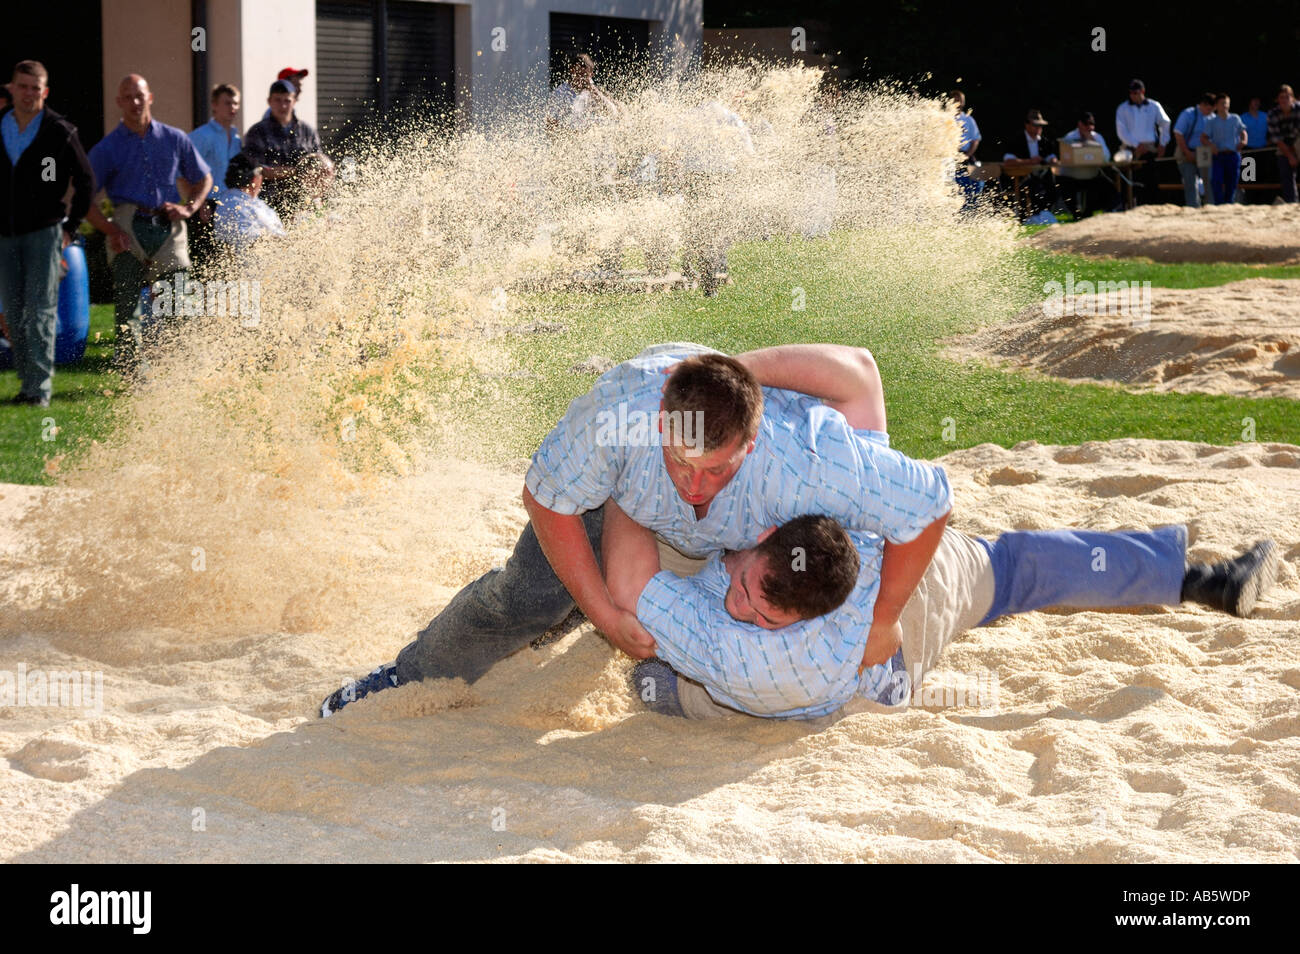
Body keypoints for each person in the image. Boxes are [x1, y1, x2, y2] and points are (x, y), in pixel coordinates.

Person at [319, 343, 953, 717]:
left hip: (748, 523)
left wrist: (882, 619)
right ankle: (407, 676)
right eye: (682, 464)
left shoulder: (809, 460)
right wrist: (600, 608)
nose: (696, 484)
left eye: (716, 468)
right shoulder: (614, 419)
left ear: (751, 440)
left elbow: (928, 506)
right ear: (659, 422)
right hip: (623, 499)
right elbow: (548, 503)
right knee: (530, 597)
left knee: (798, 580)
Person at [612, 503, 1278, 720]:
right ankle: (1199, 581)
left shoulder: (701, 619)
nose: (749, 609)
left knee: (663, 677)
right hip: (894, 630)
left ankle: (1197, 580)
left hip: (873, 657)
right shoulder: (828, 530)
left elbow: (632, 572)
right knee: (1015, 567)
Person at [85, 74, 212, 380]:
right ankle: (132, 375)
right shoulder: (107, 148)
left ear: (150, 98)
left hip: (169, 228)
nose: (135, 102)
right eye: (127, 97)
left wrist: (189, 207)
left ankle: (178, 371)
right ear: (119, 103)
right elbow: (83, 200)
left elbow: (203, 177)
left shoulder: (174, 138)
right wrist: (111, 230)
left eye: (139, 95)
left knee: (177, 302)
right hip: (127, 228)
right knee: (128, 309)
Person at [0, 60, 94, 408]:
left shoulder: (59, 131)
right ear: (12, 88)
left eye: (35, 88)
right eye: (22, 86)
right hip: (5, 235)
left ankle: (37, 390)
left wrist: (69, 229)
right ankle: (27, 384)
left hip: (44, 234)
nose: (28, 94)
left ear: (45, 92)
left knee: (39, 310)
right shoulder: (0, 126)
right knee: (13, 312)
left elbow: (85, 182)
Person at [242, 79, 322, 217]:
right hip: (268, 206)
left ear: (295, 101)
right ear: (269, 101)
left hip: (303, 206)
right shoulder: (257, 131)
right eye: (277, 100)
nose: (283, 105)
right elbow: (256, 170)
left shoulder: (307, 131)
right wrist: (296, 171)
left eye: (287, 100)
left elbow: (318, 164)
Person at [210, 153, 286, 254]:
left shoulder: (237, 201)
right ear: (255, 179)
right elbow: (252, 242)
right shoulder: (234, 205)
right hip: (253, 265)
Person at [1115, 79, 1171, 205]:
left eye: (1136, 92)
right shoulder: (1123, 108)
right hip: (1130, 149)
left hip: (1150, 149)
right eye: (1131, 93)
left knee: (1151, 180)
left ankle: (1152, 206)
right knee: (1130, 179)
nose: (1133, 95)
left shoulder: (1154, 105)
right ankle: (1128, 205)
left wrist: (1163, 143)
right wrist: (1136, 144)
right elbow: (1121, 131)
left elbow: (1165, 123)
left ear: (1143, 91)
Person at [997, 108, 1058, 218]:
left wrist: (1051, 161)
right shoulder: (1017, 140)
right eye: (1036, 125)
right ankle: (1029, 216)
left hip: (1041, 177)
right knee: (1031, 187)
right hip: (1020, 178)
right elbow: (1008, 160)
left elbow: (1052, 157)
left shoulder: (1044, 142)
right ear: (1027, 125)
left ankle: (1043, 213)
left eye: (1040, 126)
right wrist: (1029, 161)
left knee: (1053, 187)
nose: (1039, 128)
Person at [1057, 110, 1118, 217]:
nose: (1089, 127)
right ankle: (1077, 215)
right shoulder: (1070, 137)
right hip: (1073, 177)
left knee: (1109, 187)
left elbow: (1106, 158)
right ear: (1079, 124)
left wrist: (1093, 142)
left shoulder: (1097, 137)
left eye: (1092, 124)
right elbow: (1065, 157)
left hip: (1091, 176)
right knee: (1063, 186)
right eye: (1086, 124)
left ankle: (1089, 214)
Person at [545, 53, 621, 133]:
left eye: (584, 75)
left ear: (591, 74)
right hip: (570, 137)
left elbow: (612, 112)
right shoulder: (560, 93)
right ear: (571, 71)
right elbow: (550, 123)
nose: (580, 78)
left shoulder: (596, 90)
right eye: (577, 74)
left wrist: (592, 90)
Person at [1200, 94, 1247, 206]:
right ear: (1216, 106)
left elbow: (1243, 131)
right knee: (1216, 180)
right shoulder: (1211, 122)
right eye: (1222, 103)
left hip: (1233, 155)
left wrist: (1244, 141)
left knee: (1232, 181)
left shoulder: (1235, 118)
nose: (1225, 105)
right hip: (1218, 156)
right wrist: (1211, 146)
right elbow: (1203, 137)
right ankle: (1218, 204)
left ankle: (1229, 204)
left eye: (1226, 103)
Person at [1173, 93, 1215, 207]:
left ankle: (1210, 207)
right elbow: (1178, 133)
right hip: (1187, 150)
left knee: (1208, 181)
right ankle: (1193, 208)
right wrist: (1187, 152)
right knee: (1190, 183)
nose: (1211, 111)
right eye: (1209, 108)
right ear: (1203, 104)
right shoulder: (1188, 114)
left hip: (1204, 152)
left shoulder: (1212, 117)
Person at [949, 90, 983, 212]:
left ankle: (970, 210)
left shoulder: (968, 119)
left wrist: (967, 155)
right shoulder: (944, 117)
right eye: (955, 99)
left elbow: (975, 140)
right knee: (951, 184)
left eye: (959, 100)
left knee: (975, 183)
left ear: (963, 102)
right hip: (949, 156)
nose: (957, 102)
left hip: (966, 156)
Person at [1267, 85, 1300, 203]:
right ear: (1277, 100)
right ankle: (1292, 203)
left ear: (1293, 98)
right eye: (1282, 97)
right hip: (1284, 144)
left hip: (1298, 140)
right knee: (1284, 167)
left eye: (1287, 97)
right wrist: (1290, 155)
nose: (1285, 100)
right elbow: (1277, 139)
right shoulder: (1272, 114)